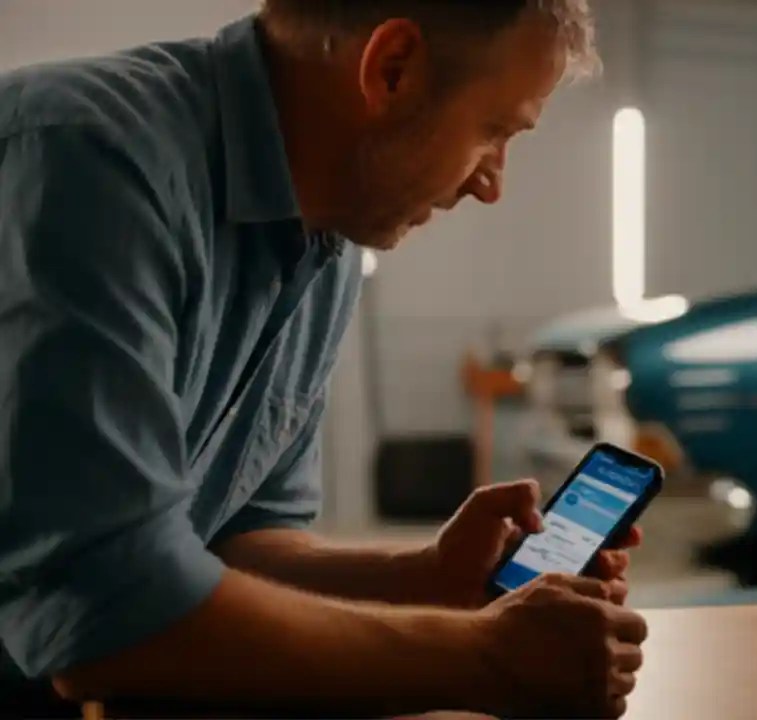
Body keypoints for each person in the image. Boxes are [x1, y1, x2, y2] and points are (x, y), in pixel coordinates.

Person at [0, 1, 647, 717]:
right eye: (495, 131)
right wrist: (488, 658)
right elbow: (104, 620)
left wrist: (425, 579)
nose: (492, 183)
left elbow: (234, 542)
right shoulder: (87, 161)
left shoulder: (329, 235)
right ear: (391, 69)